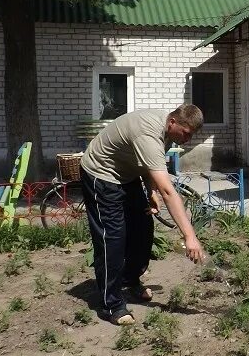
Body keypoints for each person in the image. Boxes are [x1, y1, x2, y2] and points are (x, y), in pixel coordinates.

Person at [80, 104, 207, 325]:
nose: (187, 140)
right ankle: (111, 305)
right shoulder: (148, 133)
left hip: (126, 175)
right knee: (112, 238)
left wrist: (150, 191)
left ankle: (129, 280)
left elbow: (149, 164)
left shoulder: (167, 132)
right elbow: (169, 191)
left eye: (191, 136)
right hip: (101, 174)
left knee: (143, 228)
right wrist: (190, 236)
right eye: (186, 133)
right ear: (173, 122)